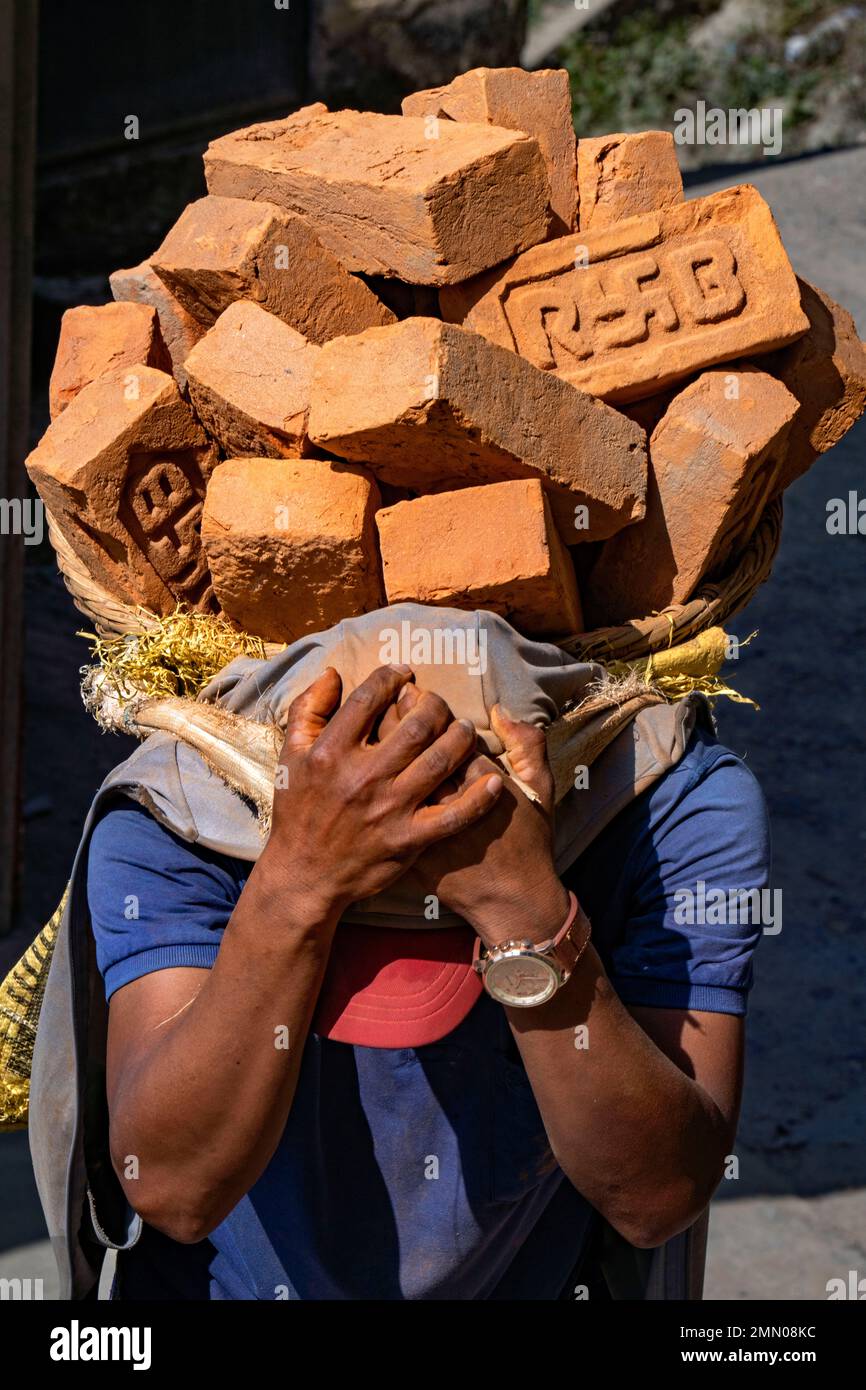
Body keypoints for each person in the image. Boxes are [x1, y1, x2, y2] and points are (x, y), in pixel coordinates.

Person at [85, 656, 769, 1301]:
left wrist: (523, 910)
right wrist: (297, 886)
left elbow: (658, 1197)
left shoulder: (661, 800)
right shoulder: (185, 796)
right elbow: (172, 1187)